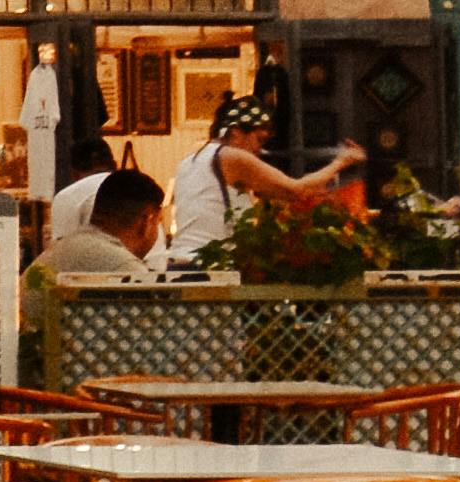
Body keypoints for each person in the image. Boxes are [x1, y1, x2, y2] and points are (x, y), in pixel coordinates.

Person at [162, 101, 348, 268]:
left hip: (181, 264)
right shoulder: (231, 156)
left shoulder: (188, 162)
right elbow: (296, 190)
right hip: (211, 269)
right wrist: (340, 162)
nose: (259, 149)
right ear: (235, 133)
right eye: (259, 139)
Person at [24, 167, 164, 384]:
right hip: (61, 395)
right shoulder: (123, 267)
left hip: (27, 387)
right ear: (147, 220)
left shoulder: (65, 248)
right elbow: (157, 340)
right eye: (159, 222)